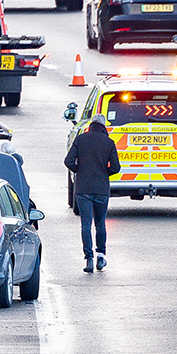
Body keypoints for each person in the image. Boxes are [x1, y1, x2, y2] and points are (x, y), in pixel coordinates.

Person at [64, 114, 121, 273]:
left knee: (86, 224)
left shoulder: (81, 140)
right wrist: (104, 173)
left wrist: (80, 171)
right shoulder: (109, 143)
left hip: (83, 188)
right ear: (103, 127)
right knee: (100, 223)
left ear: (91, 125)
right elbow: (116, 167)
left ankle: (88, 259)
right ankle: (101, 257)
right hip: (101, 188)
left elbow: (68, 161)